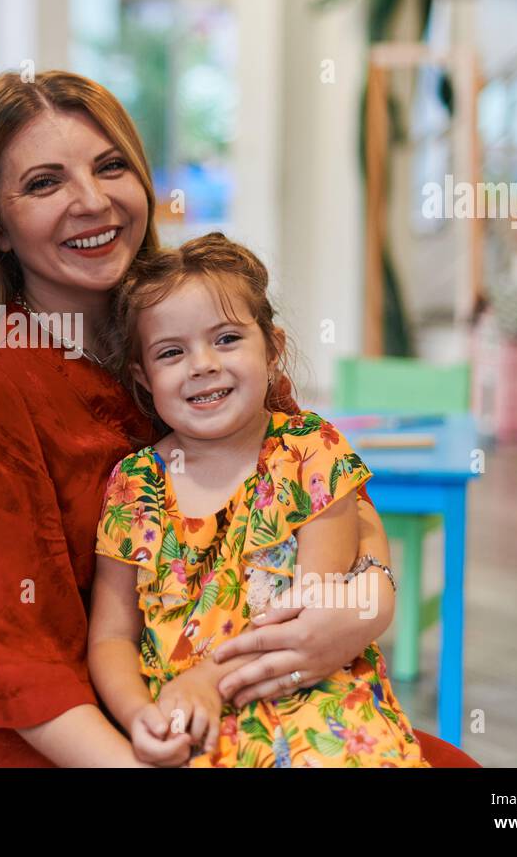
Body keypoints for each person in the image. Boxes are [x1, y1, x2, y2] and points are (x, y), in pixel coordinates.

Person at [0, 70, 401, 767]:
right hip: (43, 731)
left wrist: (369, 604)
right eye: (45, 183)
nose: (92, 201)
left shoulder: (199, 327)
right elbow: (19, 661)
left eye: (111, 168)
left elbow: (329, 494)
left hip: (221, 700)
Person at [89, 232, 426, 767]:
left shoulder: (309, 452)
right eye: (171, 352)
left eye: (226, 339)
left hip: (313, 707)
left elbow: (315, 607)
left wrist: (208, 680)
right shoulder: (134, 486)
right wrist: (138, 718)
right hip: (190, 726)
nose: (202, 364)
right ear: (143, 377)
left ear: (272, 348)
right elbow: (110, 636)